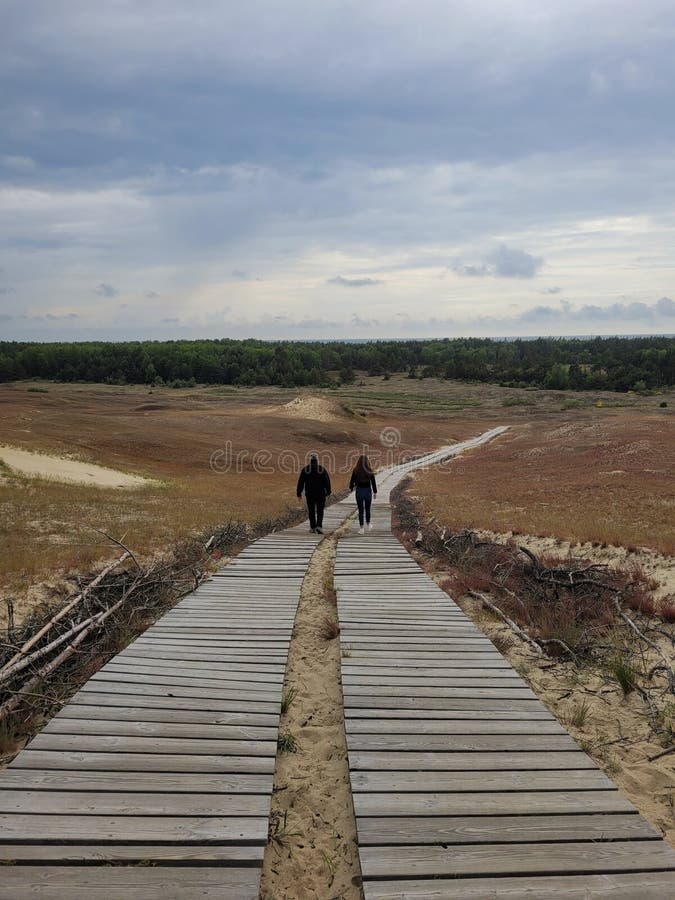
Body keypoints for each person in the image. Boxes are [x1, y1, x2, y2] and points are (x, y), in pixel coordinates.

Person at [296, 455, 331, 533]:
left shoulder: (305, 469)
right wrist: (328, 491)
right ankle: (319, 526)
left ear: (310, 461)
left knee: (311, 510)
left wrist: (299, 493)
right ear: (317, 461)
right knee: (320, 510)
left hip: (309, 493)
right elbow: (327, 482)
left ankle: (312, 527)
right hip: (321, 493)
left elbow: (300, 482)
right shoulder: (322, 469)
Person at [349, 454, 377, 535]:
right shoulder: (369, 470)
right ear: (367, 462)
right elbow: (373, 482)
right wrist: (375, 492)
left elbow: (351, 481)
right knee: (368, 509)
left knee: (360, 510)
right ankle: (368, 525)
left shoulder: (356, 470)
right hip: (368, 491)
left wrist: (351, 488)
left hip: (359, 491)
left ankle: (361, 529)